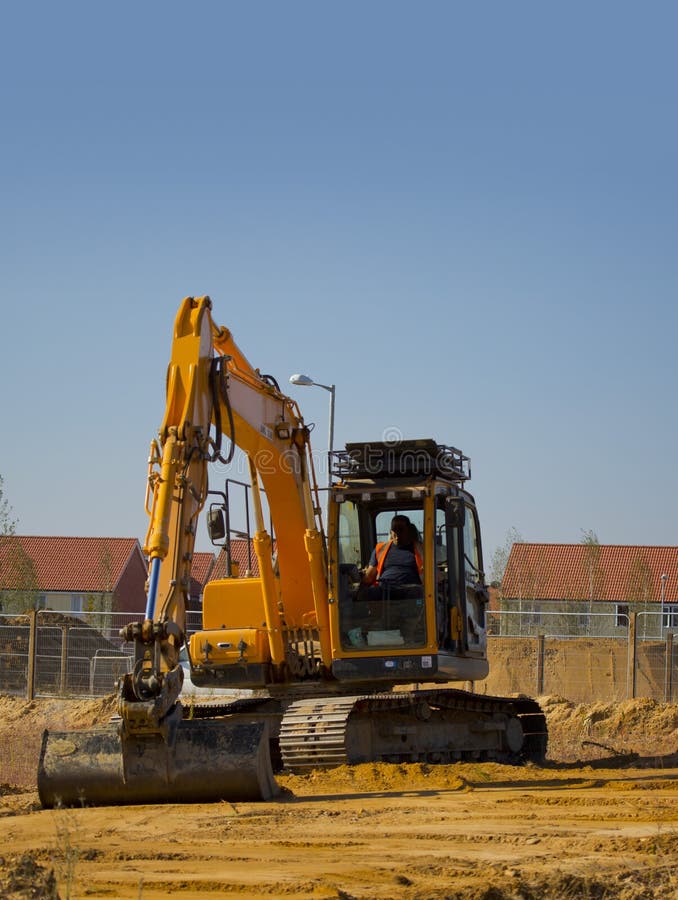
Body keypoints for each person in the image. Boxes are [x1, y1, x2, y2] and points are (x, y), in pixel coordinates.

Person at [361, 514, 424, 589]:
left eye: (401, 529)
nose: (397, 533)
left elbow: (431, 575)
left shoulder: (422, 549)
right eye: (394, 529)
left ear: (408, 531)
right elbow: (369, 577)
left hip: (412, 591)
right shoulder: (380, 549)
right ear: (391, 532)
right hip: (385, 590)